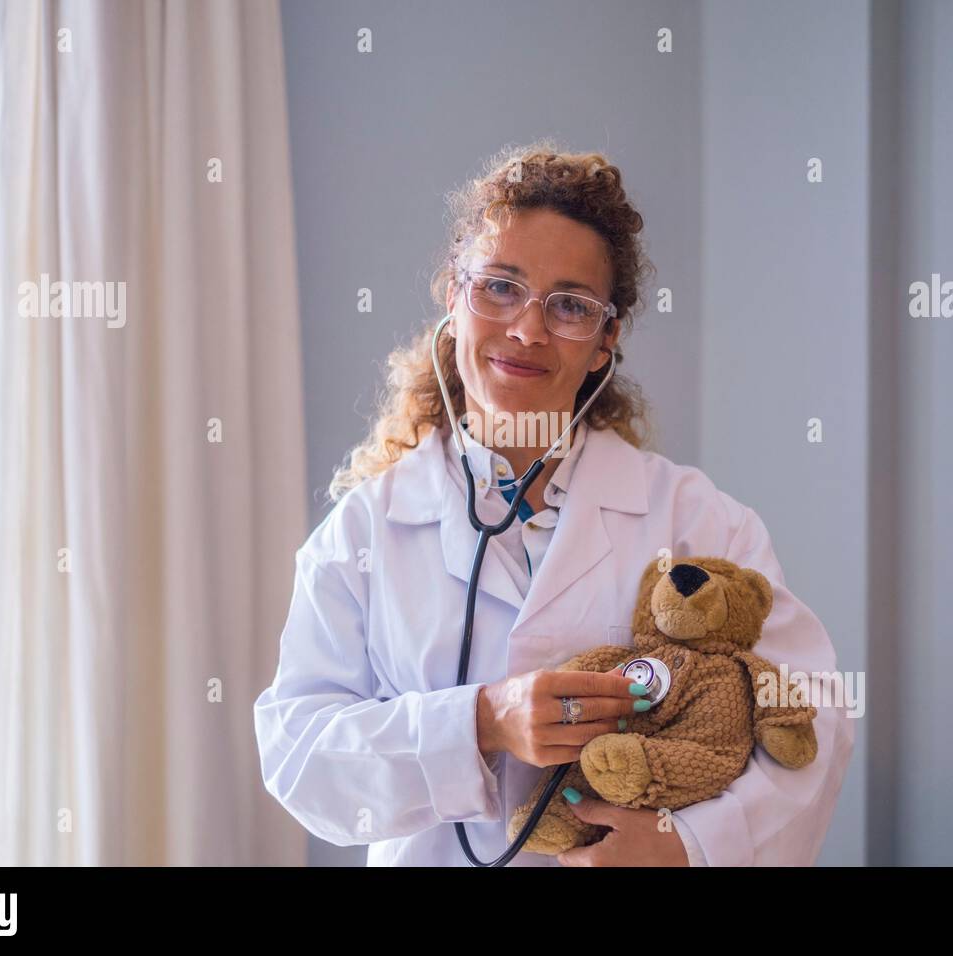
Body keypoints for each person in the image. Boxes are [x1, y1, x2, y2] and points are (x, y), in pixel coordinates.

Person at [253, 142, 854, 866]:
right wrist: (480, 721)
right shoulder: (366, 529)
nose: (528, 329)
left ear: (605, 342)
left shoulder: (697, 519)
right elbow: (298, 755)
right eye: (500, 286)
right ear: (453, 297)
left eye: (569, 305)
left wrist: (687, 846)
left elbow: (814, 717)